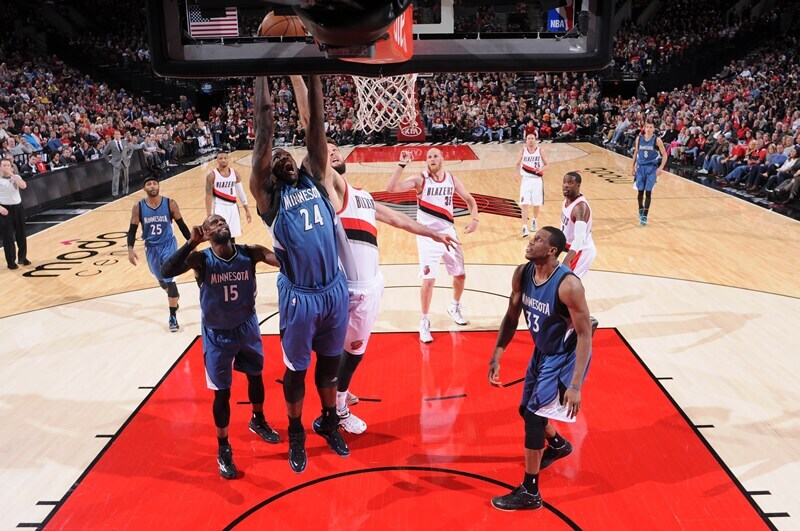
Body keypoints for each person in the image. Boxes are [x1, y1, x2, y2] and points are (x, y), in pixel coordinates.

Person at [290, 75, 459, 435]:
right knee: (344, 355)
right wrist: (296, 72)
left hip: (372, 285)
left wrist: (434, 232)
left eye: (337, 149)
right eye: (327, 150)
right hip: (348, 291)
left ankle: (339, 394)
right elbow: (312, 127)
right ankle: (334, 407)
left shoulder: (360, 193)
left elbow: (398, 218)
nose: (333, 151)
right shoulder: (332, 189)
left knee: (355, 352)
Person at [250, 75, 350, 474]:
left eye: (285, 155)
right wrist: (262, 71)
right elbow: (264, 128)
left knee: (330, 366)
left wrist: (313, 73)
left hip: (334, 290)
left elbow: (316, 128)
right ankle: (295, 430)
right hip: (300, 297)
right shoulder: (269, 200)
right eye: (275, 159)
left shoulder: (314, 178)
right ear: (269, 175)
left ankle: (328, 418)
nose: (281, 157)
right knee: (297, 370)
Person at [161, 214, 281, 479]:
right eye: (214, 223)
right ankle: (224, 447)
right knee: (222, 393)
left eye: (223, 221)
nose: (221, 224)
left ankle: (258, 419)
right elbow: (166, 271)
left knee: (255, 376)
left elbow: (284, 262)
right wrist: (191, 243)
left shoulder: (250, 253)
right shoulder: (201, 259)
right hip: (217, 334)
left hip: (246, 326)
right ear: (206, 232)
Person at [487, 226, 592, 511]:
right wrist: (497, 353)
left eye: (538, 240)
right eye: (531, 238)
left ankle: (530, 492)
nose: (531, 242)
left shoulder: (568, 285)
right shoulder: (522, 273)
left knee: (533, 418)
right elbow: (511, 316)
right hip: (542, 352)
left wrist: (575, 385)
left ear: (552, 251)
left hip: (563, 358)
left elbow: (585, 335)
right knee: (525, 410)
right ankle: (558, 445)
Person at [387, 147, 479, 343]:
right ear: (426, 161)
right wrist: (401, 165)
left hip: (448, 233)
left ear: (442, 159)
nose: (432, 159)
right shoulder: (420, 179)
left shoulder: (452, 180)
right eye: (429, 157)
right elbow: (391, 189)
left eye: (435, 155)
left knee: (460, 275)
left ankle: (454, 306)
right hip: (427, 236)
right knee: (429, 280)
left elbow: (470, 200)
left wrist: (475, 219)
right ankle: (424, 321)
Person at [126, 176, 192, 331]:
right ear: (144, 189)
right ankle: (173, 297)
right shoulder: (139, 207)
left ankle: (172, 317)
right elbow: (132, 230)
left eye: (155, 183)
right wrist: (130, 249)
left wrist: (191, 244)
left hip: (168, 245)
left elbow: (182, 225)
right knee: (161, 279)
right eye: (148, 184)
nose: (152, 186)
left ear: (159, 186)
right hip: (151, 248)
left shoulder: (170, 203)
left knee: (170, 280)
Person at [205, 151, 252, 241]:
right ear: (217, 160)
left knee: (232, 235)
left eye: (225, 158)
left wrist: (247, 210)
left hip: (233, 208)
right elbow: (208, 195)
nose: (223, 160)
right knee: (220, 235)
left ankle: (232, 254)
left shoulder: (235, 174)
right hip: (219, 207)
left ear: (228, 159)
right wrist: (209, 216)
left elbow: (241, 193)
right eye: (220, 158)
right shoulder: (211, 175)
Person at [631, 120, 667, 225]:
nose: (649, 129)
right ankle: (640, 209)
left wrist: (661, 168)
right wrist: (632, 167)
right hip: (640, 168)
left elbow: (664, 154)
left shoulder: (657, 140)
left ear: (654, 129)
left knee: (648, 192)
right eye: (647, 127)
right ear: (644, 128)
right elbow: (636, 152)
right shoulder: (639, 138)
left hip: (651, 168)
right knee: (640, 192)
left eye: (651, 127)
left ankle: (645, 217)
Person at [514, 133, 548, 237]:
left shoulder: (540, 150)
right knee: (524, 203)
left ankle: (534, 220)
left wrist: (541, 169)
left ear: (535, 140)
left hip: (537, 180)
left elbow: (547, 164)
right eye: (529, 138)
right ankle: (524, 227)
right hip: (526, 180)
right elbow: (518, 163)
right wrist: (516, 173)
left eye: (532, 138)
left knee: (536, 204)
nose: (530, 140)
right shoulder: (523, 151)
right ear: (526, 140)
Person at [0, 158, 29, 270]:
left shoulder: (16, 177)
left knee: (21, 233)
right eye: (4, 165)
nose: (7, 167)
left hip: (18, 207)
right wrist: (0, 208)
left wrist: (12, 175)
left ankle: (22, 257)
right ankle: (11, 262)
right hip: (5, 209)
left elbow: (23, 186)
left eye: (9, 165)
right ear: (0, 167)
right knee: (8, 237)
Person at [102, 130, 135, 197]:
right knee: (115, 179)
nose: (117, 135)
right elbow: (105, 154)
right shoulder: (110, 143)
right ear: (114, 135)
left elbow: (131, 149)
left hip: (125, 162)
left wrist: (128, 156)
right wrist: (110, 160)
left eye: (118, 134)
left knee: (126, 178)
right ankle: (115, 193)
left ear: (120, 135)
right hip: (116, 163)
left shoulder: (124, 142)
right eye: (116, 134)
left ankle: (125, 191)